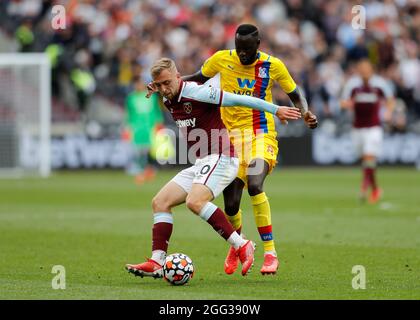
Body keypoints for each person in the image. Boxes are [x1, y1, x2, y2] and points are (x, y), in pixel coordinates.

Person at [125, 58, 302, 278]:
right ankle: (157, 261)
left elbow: (238, 100)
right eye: (158, 85)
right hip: (203, 162)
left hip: (222, 157)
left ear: (178, 76)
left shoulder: (197, 92)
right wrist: (156, 86)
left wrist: (276, 110)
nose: (163, 89)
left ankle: (242, 244)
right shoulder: (167, 96)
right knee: (160, 202)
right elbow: (164, 86)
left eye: (167, 83)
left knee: (195, 201)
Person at [177, 24, 318, 275]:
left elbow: (295, 94)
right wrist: (167, 84)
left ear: (258, 44)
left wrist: (305, 112)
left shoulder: (273, 65)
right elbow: (196, 80)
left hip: (260, 134)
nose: (241, 53)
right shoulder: (221, 59)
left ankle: (271, 253)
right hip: (229, 140)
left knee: (255, 185)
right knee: (230, 204)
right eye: (238, 48)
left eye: (246, 49)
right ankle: (238, 244)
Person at [341, 59, 395, 203]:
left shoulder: (380, 84)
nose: (364, 72)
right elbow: (343, 101)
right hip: (357, 127)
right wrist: (348, 104)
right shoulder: (352, 84)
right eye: (361, 69)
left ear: (371, 70)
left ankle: (364, 189)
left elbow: (390, 99)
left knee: (369, 157)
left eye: (366, 69)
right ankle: (376, 188)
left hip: (374, 127)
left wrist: (389, 111)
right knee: (365, 159)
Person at [124, 75, 163, 184]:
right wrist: (127, 127)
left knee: (150, 150)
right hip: (137, 128)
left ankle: (148, 169)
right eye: (136, 83)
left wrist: (159, 124)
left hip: (149, 127)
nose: (138, 85)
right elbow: (129, 114)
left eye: (140, 83)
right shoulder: (131, 98)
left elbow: (157, 112)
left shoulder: (152, 97)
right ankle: (139, 169)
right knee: (138, 150)